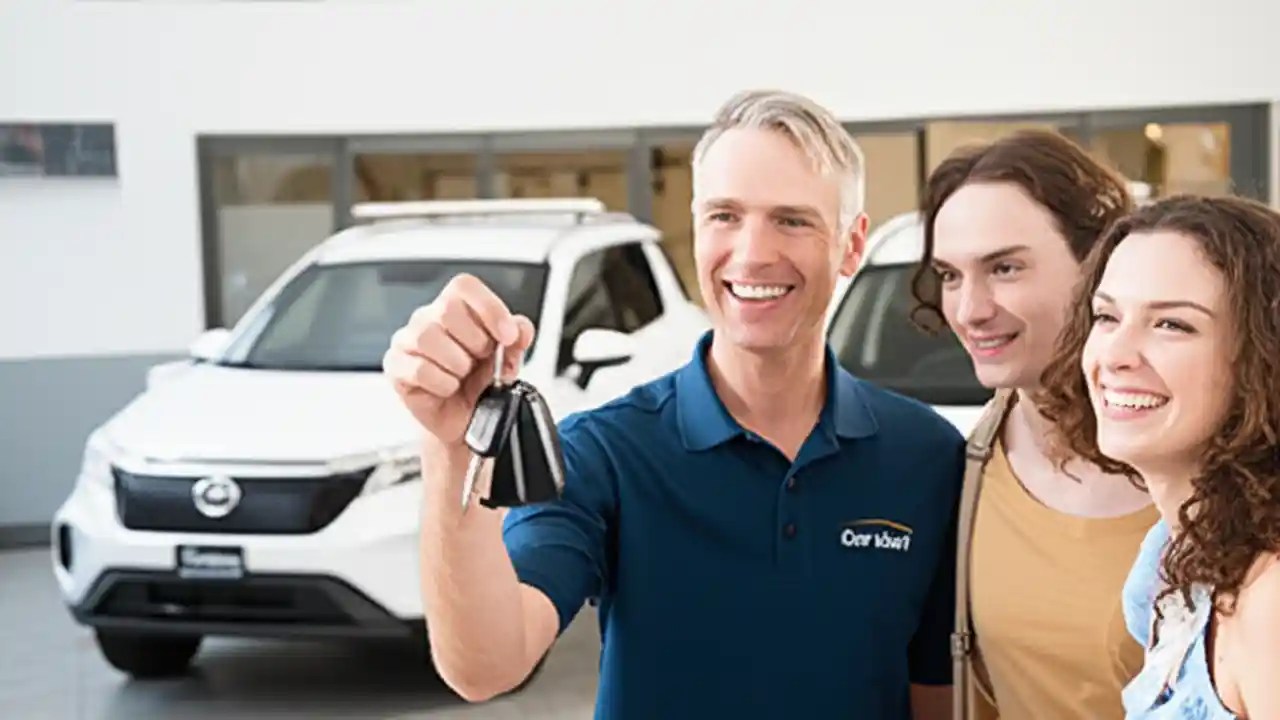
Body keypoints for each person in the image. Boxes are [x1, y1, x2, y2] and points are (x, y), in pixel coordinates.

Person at [383, 89, 966, 719]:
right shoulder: (605, 452)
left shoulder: (927, 457)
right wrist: (451, 448)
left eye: (791, 220)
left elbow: (934, 695)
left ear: (851, 244)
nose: (751, 252)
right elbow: (485, 666)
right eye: (725, 216)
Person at [908, 130, 1160, 719]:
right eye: (949, 275)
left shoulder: (1206, 464)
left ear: (1096, 262)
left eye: (1005, 268)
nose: (970, 309)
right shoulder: (968, 468)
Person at [1036, 195, 1280, 719]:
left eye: (1172, 325)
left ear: (1264, 357)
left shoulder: (1270, 598)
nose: (1115, 356)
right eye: (1106, 316)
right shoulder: (1168, 559)